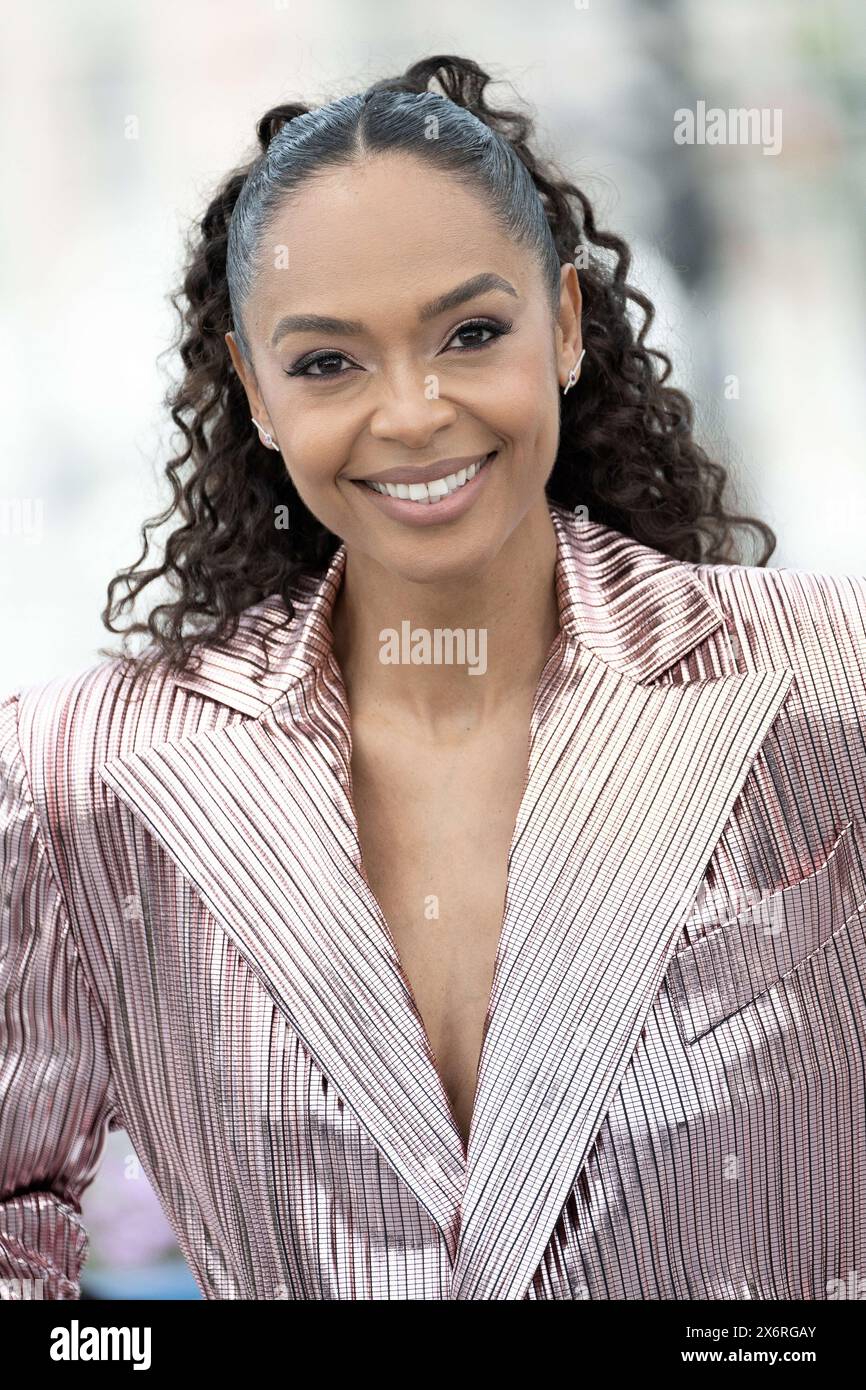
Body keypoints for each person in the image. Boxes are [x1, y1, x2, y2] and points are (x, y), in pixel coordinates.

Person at [2, 54, 865, 1302]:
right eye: (326, 363)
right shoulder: (83, 778)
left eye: (470, 333)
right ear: (252, 391)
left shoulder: (825, 686)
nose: (411, 412)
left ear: (564, 325)